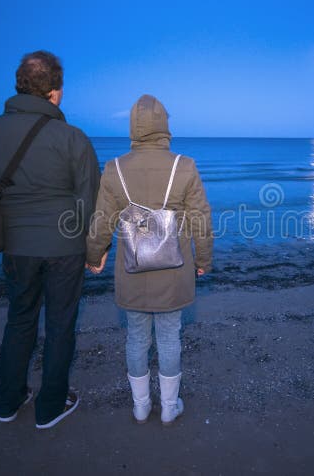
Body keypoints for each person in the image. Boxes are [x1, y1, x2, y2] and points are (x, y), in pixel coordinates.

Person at [0, 50, 100, 429]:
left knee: (19, 319)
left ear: (20, 85)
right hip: (64, 247)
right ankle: (50, 405)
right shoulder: (73, 139)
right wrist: (94, 250)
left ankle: (9, 400)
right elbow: (90, 202)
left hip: (17, 246)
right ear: (55, 91)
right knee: (60, 324)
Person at [86, 94, 212, 425]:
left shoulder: (114, 168)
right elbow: (201, 218)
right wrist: (204, 259)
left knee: (136, 337)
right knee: (170, 336)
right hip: (174, 270)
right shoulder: (184, 166)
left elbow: (102, 220)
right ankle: (169, 407)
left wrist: (94, 254)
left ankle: (141, 405)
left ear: (133, 127)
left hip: (132, 270)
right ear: (164, 127)